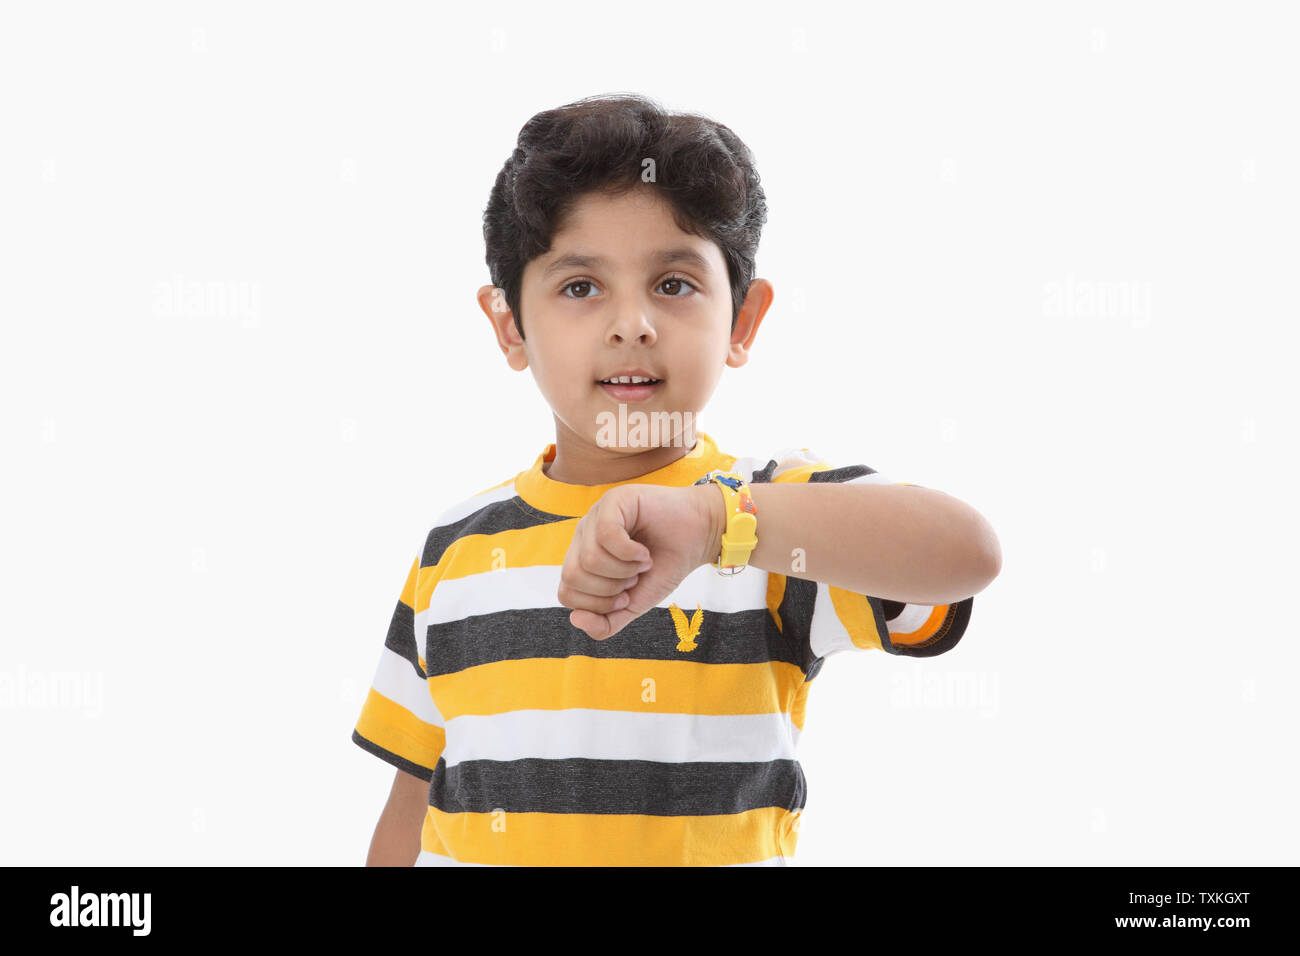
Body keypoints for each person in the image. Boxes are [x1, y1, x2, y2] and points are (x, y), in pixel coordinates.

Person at [351, 93, 1001, 866]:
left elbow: (965, 554)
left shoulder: (774, 515)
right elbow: (411, 801)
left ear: (743, 323)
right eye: (580, 287)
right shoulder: (452, 550)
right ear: (509, 326)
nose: (633, 324)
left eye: (673, 284)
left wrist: (716, 525)